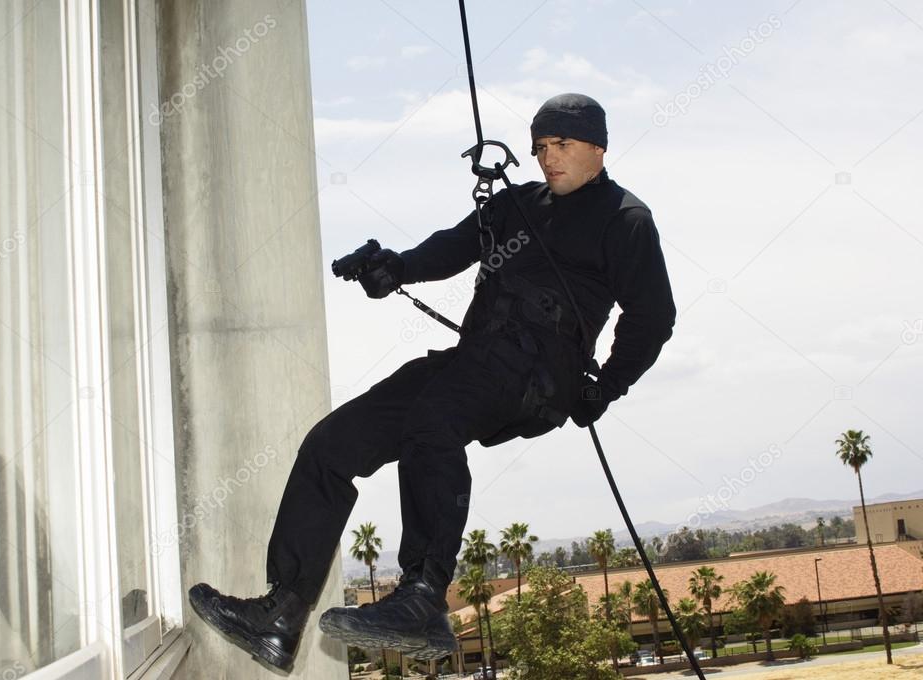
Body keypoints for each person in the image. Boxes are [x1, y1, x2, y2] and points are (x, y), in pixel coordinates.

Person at [188, 93, 677, 672]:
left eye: (562, 145)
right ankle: (281, 614)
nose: (549, 157)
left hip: (538, 375)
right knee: (331, 445)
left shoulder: (625, 220)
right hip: (473, 361)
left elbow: (653, 318)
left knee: (433, 421)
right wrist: (394, 267)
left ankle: (422, 596)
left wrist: (607, 385)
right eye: (541, 147)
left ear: (598, 146)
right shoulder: (515, 205)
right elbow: (452, 246)